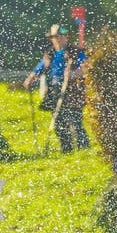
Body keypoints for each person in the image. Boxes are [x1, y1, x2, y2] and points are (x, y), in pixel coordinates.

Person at [23, 23, 90, 152]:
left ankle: (83, 148)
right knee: (59, 121)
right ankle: (66, 148)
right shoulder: (50, 53)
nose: (58, 39)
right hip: (54, 89)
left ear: (66, 37)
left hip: (72, 90)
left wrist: (73, 74)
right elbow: (40, 67)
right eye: (55, 37)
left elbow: (85, 67)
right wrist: (30, 78)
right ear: (51, 38)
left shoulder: (76, 51)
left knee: (75, 120)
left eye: (60, 36)